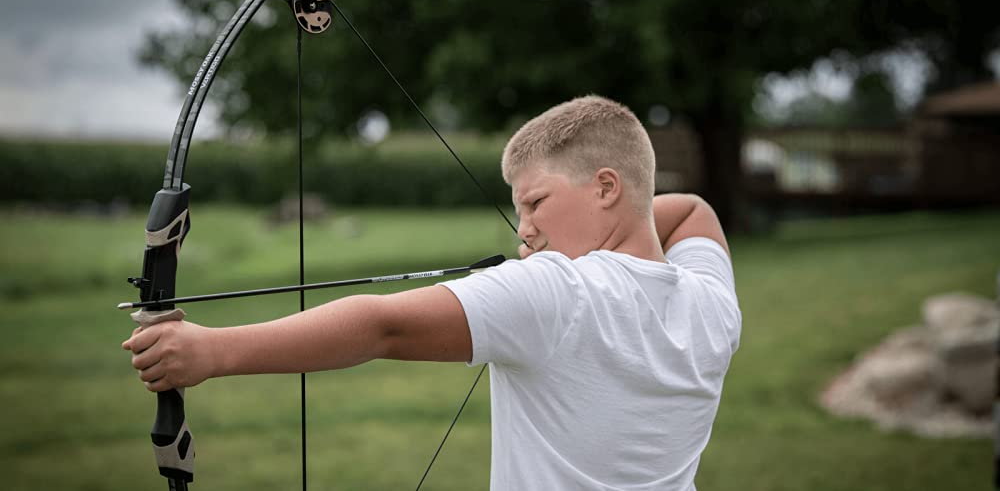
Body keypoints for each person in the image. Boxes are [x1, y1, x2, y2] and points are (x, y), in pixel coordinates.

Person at [123, 95, 741, 490]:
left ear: (606, 187)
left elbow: (381, 326)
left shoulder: (561, 290)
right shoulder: (711, 305)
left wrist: (209, 352)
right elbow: (693, 214)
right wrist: (615, 239)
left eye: (536, 202)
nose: (523, 227)